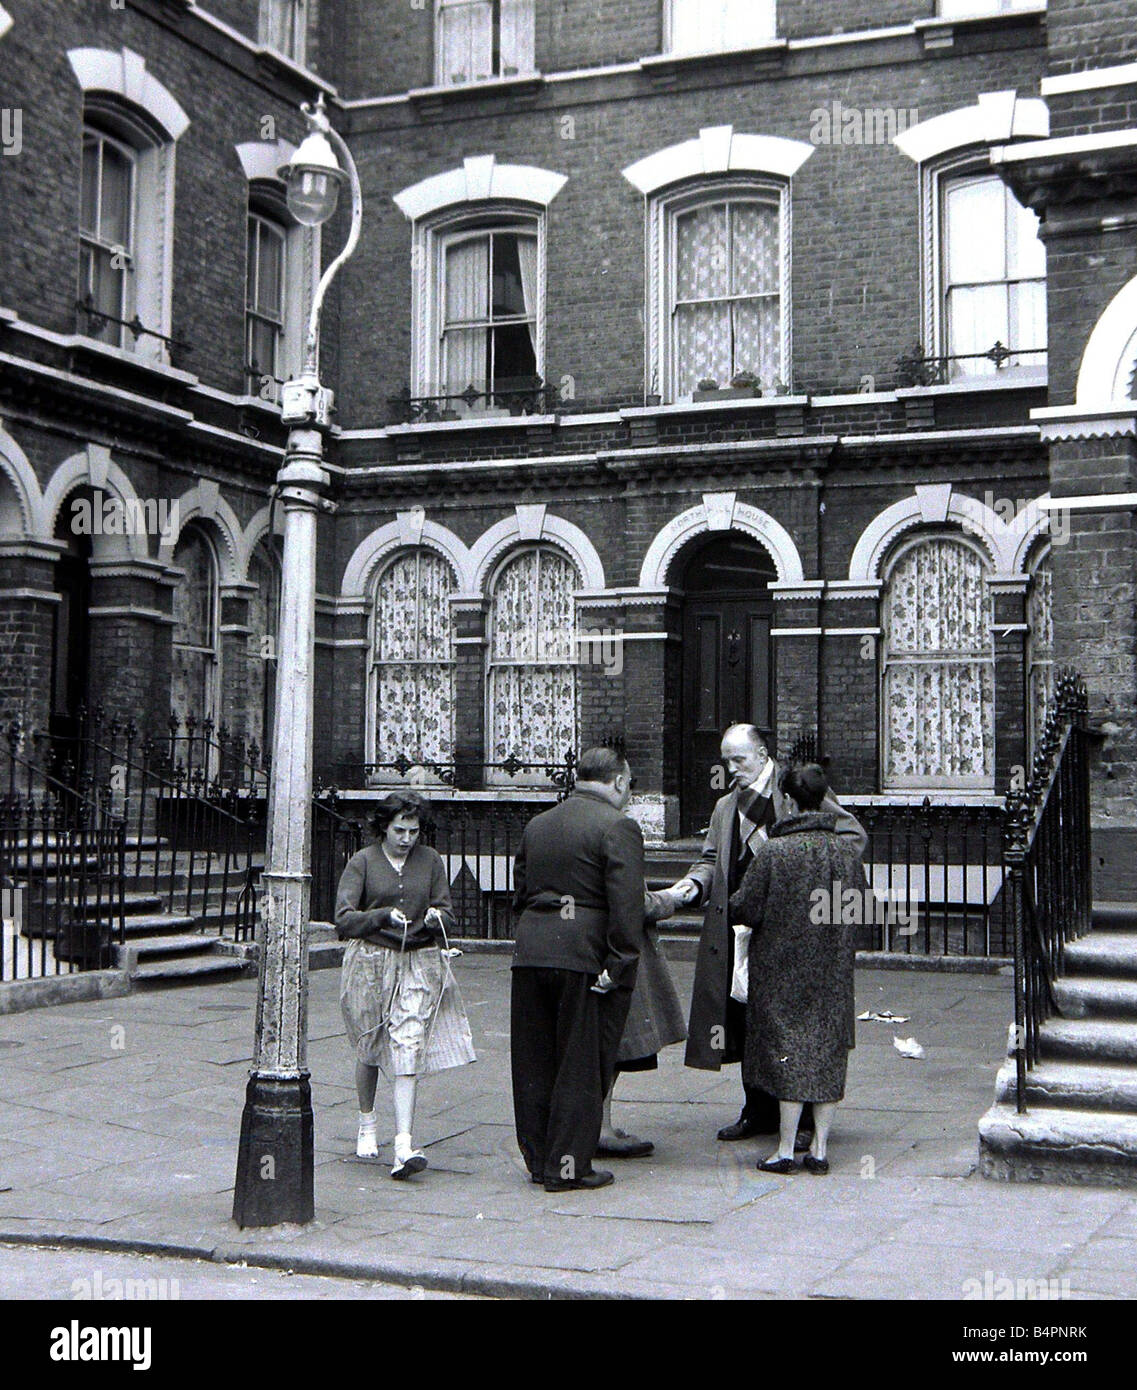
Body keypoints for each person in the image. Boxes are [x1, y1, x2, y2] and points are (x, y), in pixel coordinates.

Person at [671, 724, 867, 1145]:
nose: (731, 768)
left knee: (797, 1025)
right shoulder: (726, 807)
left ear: (762, 755)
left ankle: (803, 1122)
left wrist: (801, 875)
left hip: (795, 932)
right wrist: (694, 885)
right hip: (742, 927)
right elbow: (710, 859)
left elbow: (851, 836)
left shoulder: (794, 791)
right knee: (745, 1018)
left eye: (738, 759)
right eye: (726, 760)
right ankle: (757, 1110)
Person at [510, 746, 645, 1192]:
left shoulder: (539, 824)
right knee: (580, 1063)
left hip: (532, 951)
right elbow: (626, 906)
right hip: (584, 956)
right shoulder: (618, 826)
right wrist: (621, 964)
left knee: (534, 1060)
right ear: (619, 782)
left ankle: (539, 1160)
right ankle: (568, 1168)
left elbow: (521, 890)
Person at [729, 763, 864, 1174]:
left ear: (787, 801)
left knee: (787, 1052)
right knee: (826, 1052)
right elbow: (857, 909)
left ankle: (785, 1150)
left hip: (781, 969)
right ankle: (820, 1150)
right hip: (832, 969)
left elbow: (745, 908)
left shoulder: (774, 851)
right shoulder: (845, 852)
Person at [335, 791, 475, 1179]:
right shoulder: (362, 862)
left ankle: (403, 1144)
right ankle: (367, 1122)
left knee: (408, 1045)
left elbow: (447, 909)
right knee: (369, 1044)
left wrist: (435, 917)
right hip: (370, 962)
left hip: (418, 961)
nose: (407, 838)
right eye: (400, 830)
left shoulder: (430, 861)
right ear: (384, 827)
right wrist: (381, 916)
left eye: (413, 831)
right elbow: (344, 920)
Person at [598, 886, 689, 1158]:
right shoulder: (615, 840)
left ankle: (597, 1126)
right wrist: (670, 899)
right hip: (613, 947)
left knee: (603, 1045)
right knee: (612, 1044)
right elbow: (630, 901)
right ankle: (600, 1129)